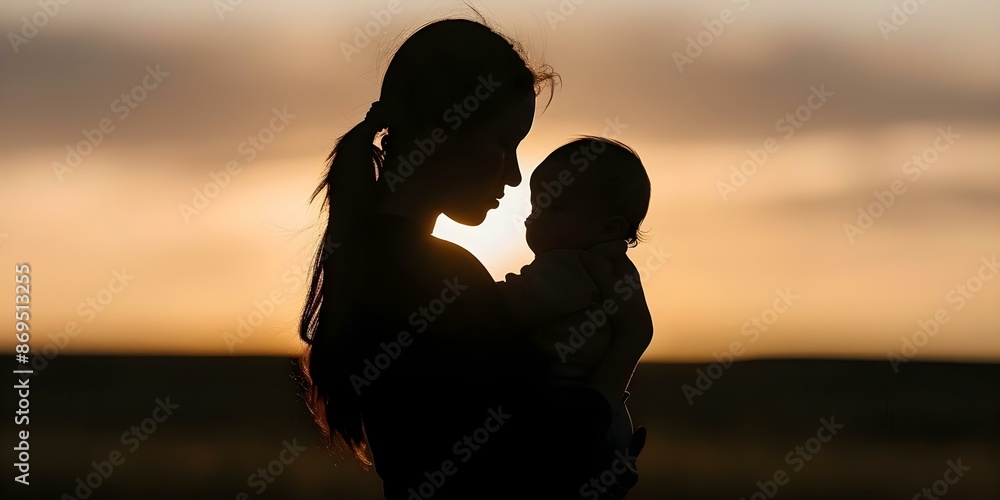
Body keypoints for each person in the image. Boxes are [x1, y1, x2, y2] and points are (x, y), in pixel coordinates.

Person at [297, 17, 645, 499]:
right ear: (445, 133)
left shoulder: (378, 259)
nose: (516, 176)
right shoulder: (432, 276)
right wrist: (619, 362)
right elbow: (525, 463)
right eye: (505, 145)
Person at [498, 137, 653, 457]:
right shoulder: (615, 268)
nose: (531, 218)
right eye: (534, 205)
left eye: (552, 207)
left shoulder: (573, 265)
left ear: (609, 227)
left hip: (574, 412)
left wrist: (462, 290)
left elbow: (508, 305)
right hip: (608, 418)